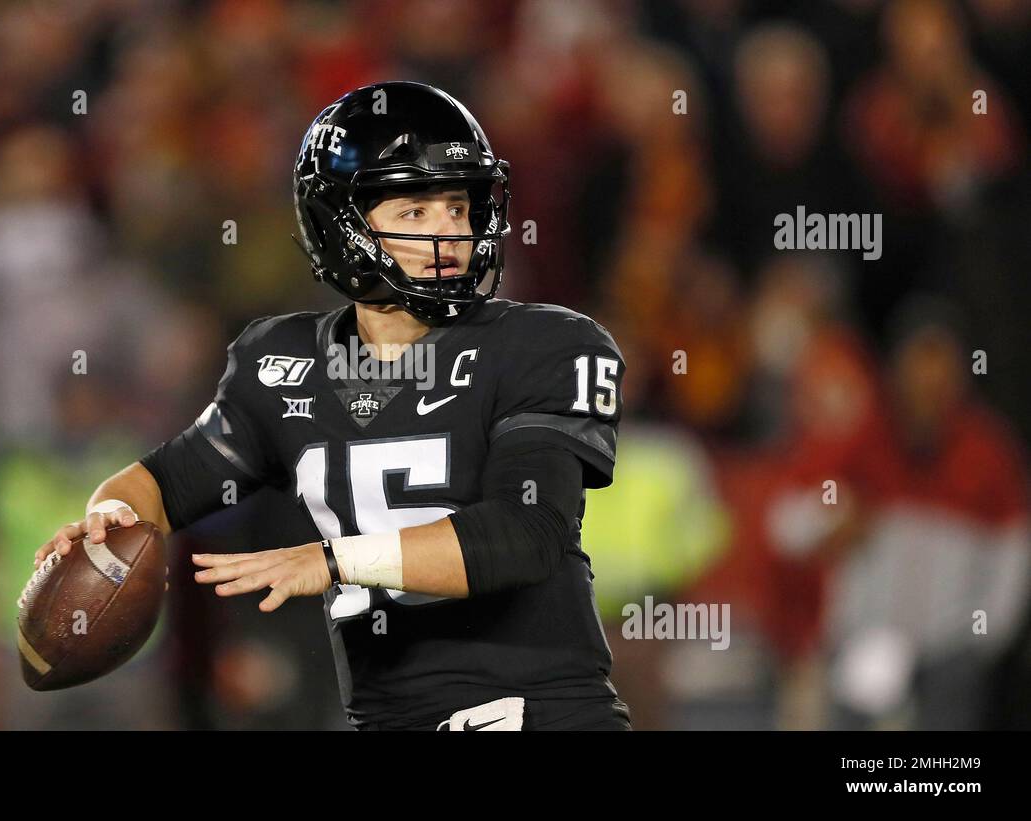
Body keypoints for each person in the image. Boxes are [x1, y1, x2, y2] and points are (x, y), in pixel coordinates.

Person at [34, 81, 631, 731]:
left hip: (538, 715)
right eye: (416, 212)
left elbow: (525, 534)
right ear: (339, 225)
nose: (452, 232)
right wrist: (111, 520)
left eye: (458, 205)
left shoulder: (545, 343)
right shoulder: (281, 361)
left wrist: (334, 558)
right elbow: (167, 480)